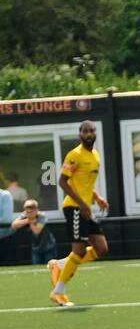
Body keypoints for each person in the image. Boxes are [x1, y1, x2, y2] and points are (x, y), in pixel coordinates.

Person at [48, 121, 110, 307]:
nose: (89, 134)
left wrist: (97, 198)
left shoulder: (95, 156)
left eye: (92, 131)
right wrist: (82, 204)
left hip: (85, 208)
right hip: (74, 207)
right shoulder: (74, 155)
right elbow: (63, 182)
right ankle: (58, 291)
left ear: (95, 134)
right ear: (80, 134)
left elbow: (84, 184)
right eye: (85, 131)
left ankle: (59, 265)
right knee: (79, 250)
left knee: (101, 248)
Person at [12, 199, 59, 264]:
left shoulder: (42, 217)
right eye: (27, 212)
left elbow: (36, 231)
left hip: (48, 247)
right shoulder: (24, 216)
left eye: (31, 212)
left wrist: (31, 222)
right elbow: (14, 225)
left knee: (50, 266)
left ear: (36, 210)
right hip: (36, 248)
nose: (29, 214)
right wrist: (28, 220)